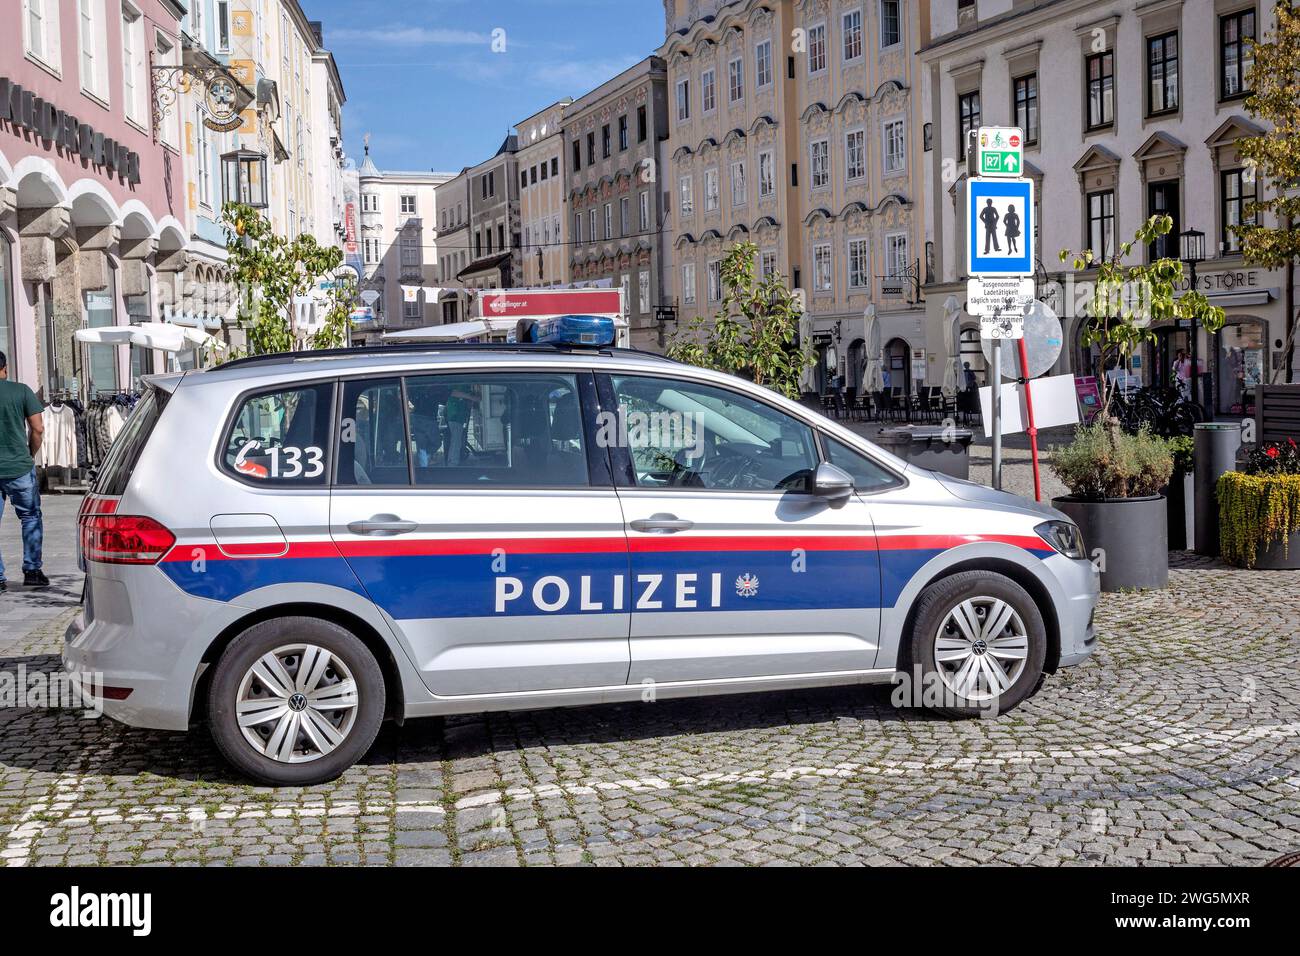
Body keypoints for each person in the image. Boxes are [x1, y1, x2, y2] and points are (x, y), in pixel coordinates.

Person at [0, 351, 48, 592]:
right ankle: (32, 571)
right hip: (18, 466)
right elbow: (37, 428)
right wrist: (30, 453)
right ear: (4, 368)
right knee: (30, 517)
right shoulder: (21, 391)